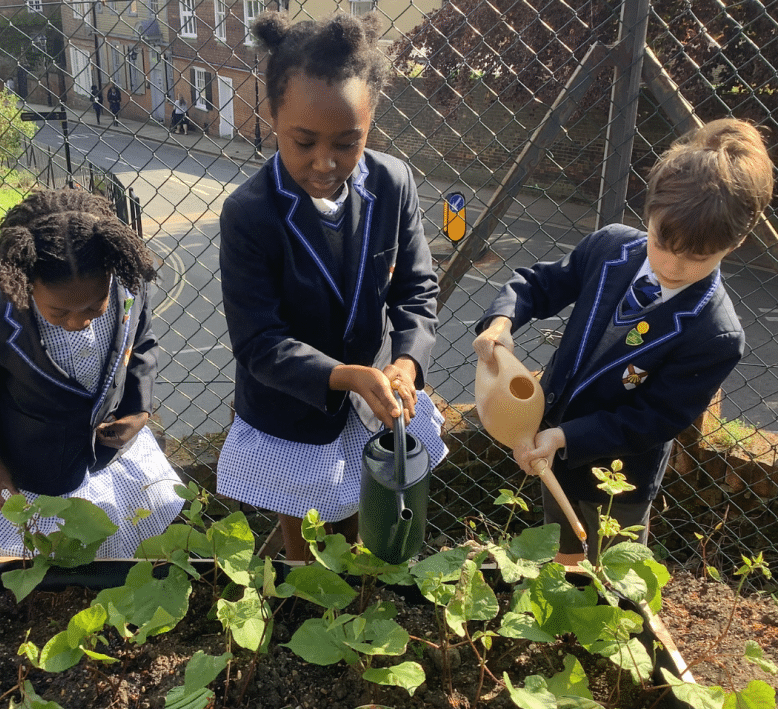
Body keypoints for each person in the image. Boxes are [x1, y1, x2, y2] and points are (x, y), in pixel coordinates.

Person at [473, 118, 774, 564]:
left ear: (737, 242)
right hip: (548, 442)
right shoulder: (610, 247)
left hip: (618, 475)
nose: (672, 266)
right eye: (661, 242)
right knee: (562, 549)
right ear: (648, 214)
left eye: (697, 257)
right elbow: (538, 284)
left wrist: (567, 436)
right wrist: (501, 320)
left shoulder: (715, 333)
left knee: (616, 568)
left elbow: (653, 418)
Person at [217, 11, 447, 561]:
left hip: (369, 403)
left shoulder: (392, 183)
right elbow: (258, 342)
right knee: (308, 556)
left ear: (371, 123)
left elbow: (416, 289)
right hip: (290, 412)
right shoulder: (249, 214)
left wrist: (406, 364)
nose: (325, 163)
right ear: (272, 116)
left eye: (349, 143)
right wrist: (342, 376)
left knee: (363, 538)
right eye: (304, 141)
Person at [0, 188, 185, 558]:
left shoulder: (129, 288)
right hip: (35, 473)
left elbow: (142, 347)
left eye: (94, 306)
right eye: (58, 312)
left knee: (119, 557)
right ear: (26, 284)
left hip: (111, 463)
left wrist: (138, 411)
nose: (79, 321)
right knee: (53, 569)